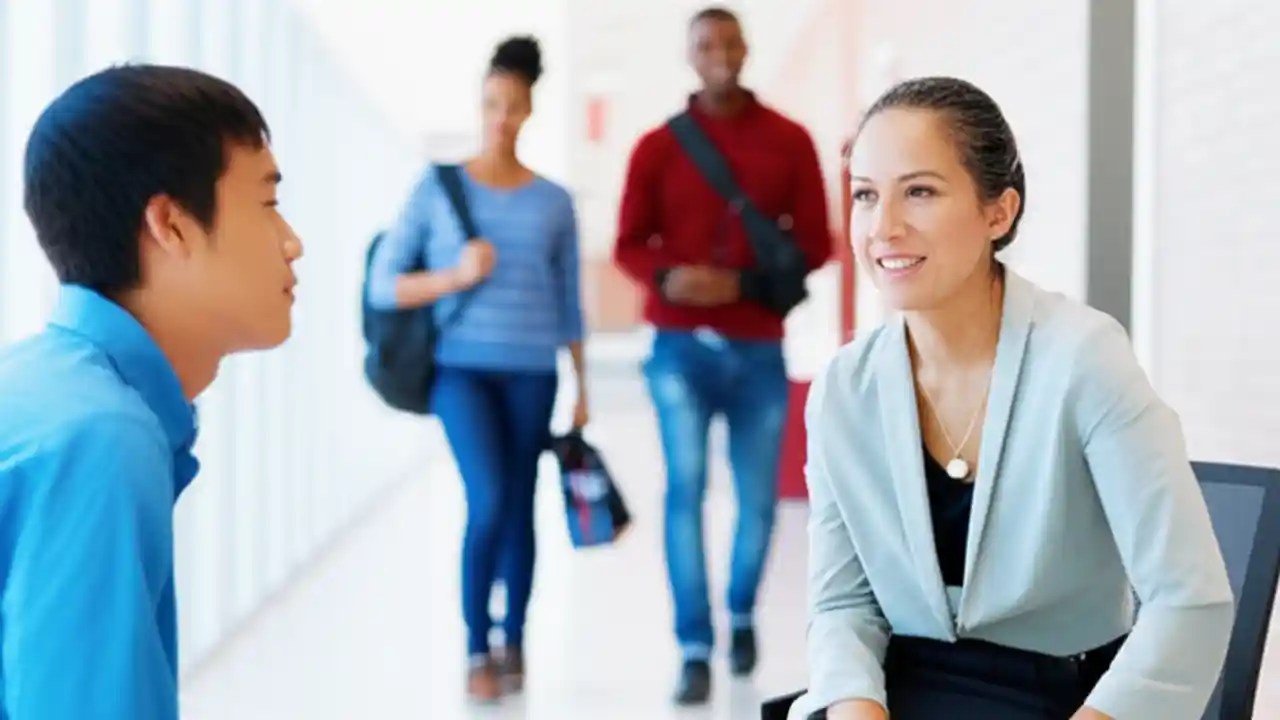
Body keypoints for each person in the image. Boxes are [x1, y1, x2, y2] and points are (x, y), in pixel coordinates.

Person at [793, 76, 1233, 720]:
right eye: (865, 195)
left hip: (1066, 696)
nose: (883, 227)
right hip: (899, 689)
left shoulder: (1084, 359)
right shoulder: (843, 388)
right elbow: (841, 606)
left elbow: (1188, 601)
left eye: (919, 191)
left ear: (998, 212)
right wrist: (857, 710)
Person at [0, 65, 302, 719]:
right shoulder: (99, 438)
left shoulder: (43, 388)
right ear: (170, 224)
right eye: (269, 204)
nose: (292, 242)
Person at [613, 6, 834, 705]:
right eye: (705, 43)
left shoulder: (789, 141)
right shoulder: (657, 146)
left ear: (746, 48)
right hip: (677, 345)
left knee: (759, 501)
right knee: (683, 490)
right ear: (690, 54)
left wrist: (736, 283)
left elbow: (819, 243)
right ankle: (693, 646)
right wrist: (669, 277)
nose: (719, 53)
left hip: (759, 345)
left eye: (729, 41)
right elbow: (627, 243)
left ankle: (739, 609)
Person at [365, 36, 587, 703]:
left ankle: (513, 639)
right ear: (480, 104)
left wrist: (582, 387)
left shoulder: (554, 201)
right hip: (460, 372)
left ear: (528, 111)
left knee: (521, 508)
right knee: (488, 497)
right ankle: (474, 647)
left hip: (532, 371)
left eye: (514, 106)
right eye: (492, 104)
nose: (501, 117)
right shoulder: (437, 189)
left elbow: (569, 299)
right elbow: (384, 285)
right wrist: (455, 276)